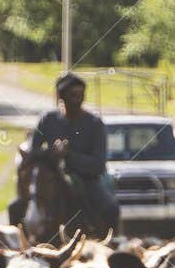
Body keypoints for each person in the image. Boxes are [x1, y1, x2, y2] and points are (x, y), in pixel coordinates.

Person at [12, 71, 117, 234]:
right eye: (72, 95)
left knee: (110, 208)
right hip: (48, 178)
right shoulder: (47, 119)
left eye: (80, 94)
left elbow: (98, 164)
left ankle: (110, 243)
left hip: (85, 181)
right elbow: (33, 151)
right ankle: (17, 244)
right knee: (15, 207)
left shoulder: (95, 124)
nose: (77, 99)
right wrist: (52, 152)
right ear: (62, 97)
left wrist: (69, 155)